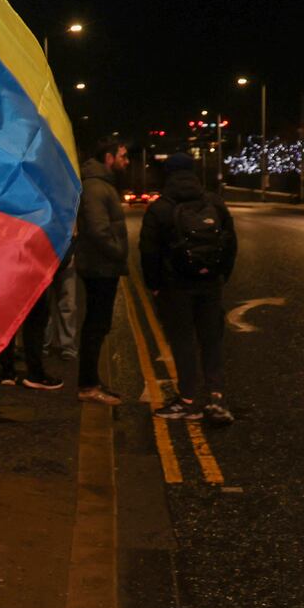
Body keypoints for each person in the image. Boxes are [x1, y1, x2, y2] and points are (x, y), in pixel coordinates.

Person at [139, 153, 238, 425]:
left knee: (183, 341)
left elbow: (148, 252)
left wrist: (155, 286)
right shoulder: (215, 203)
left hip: (176, 287)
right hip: (210, 285)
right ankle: (217, 397)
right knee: (211, 340)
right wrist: (220, 277)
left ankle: (189, 401)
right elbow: (231, 245)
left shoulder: (160, 208)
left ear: (168, 174)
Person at [74, 137, 131, 405]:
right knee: (96, 326)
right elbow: (98, 229)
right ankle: (88, 385)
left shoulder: (101, 184)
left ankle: (92, 381)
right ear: (109, 157)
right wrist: (118, 251)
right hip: (100, 266)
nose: (126, 161)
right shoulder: (96, 187)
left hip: (101, 265)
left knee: (99, 324)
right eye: (123, 156)